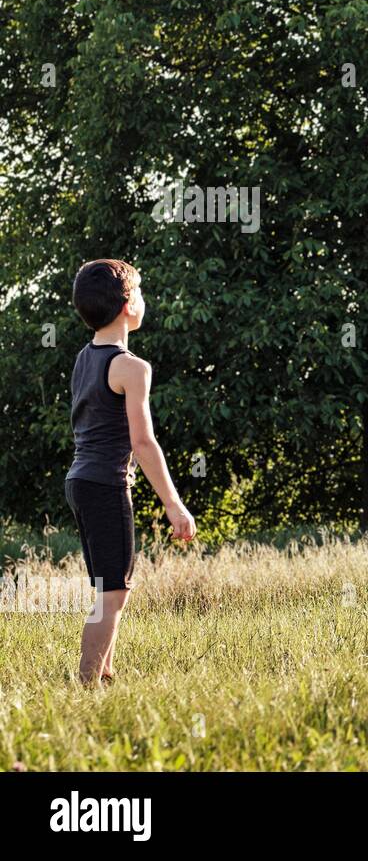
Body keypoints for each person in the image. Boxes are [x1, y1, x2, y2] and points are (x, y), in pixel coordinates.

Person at [65, 259, 196, 685]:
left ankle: (103, 674)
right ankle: (87, 684)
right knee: (113, 592)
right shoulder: (132, 368)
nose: (143, 301)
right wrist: (173, 505)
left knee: (109, 587)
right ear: (126, 306)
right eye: (139, 293)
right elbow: (143, 443)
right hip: (104, 484)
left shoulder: (84, 359)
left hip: (80, 481)